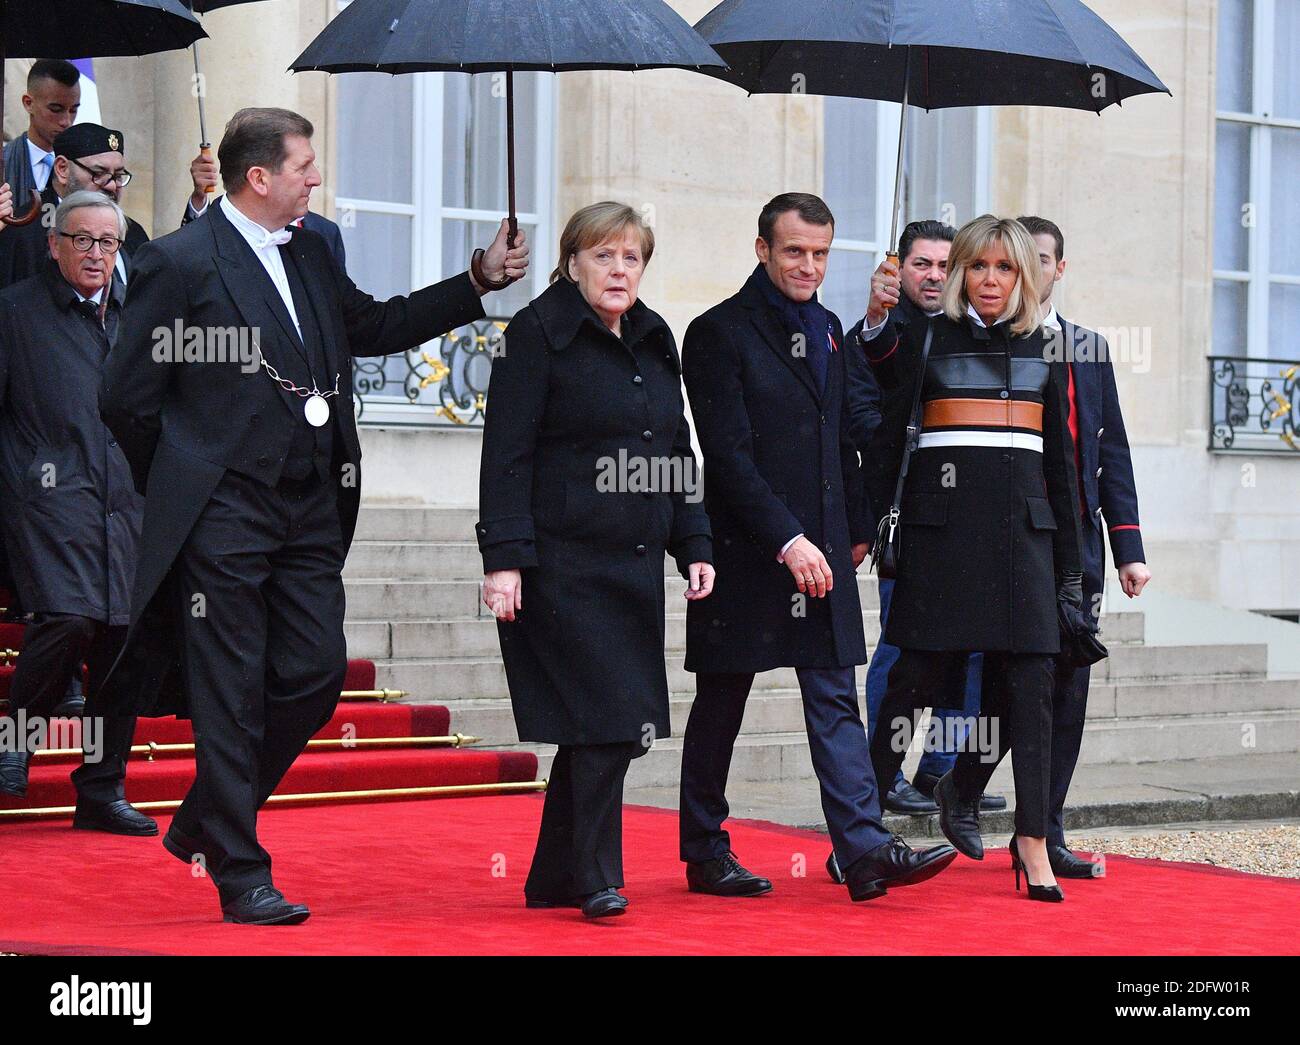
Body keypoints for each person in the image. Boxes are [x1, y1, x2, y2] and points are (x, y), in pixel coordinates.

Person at [98, 107, 528, 925]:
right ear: (259, 177)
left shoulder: (315, 247)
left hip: (309, 505)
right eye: (304, 166)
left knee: (314, 673)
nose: (317, 178)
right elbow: (124, 396)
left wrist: (476, 280)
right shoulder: (180, 261)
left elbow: (374, 325)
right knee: (229, 689)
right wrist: (191, 472)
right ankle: (240, 870)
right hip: (223, 512)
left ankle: (204, 816)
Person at [679, 192, 957, 903]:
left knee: (835, 697)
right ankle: (704, 851)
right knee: (722, 702)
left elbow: (843, 441)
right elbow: (728, 459)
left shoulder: (831, 328)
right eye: (795, 251)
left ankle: (863, 850)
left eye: (821, 253)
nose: (809, 266)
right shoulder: (715, 332)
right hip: (746, 551)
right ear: (762, 249)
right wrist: (787, 538)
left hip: (825, 548)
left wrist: (856, 528)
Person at [478, 202, 713, 919]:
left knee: (603, 724)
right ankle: (596, 876)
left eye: (631, 257)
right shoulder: (535, 335)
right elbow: (506, 456)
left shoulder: (653, 334)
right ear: (571, 262)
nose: (618, 270)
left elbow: (675, 450)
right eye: (603, 256)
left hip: (633, 562)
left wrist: (694, 541)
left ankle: (554, 876)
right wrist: (504, 559)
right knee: (611, 721)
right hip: (561, 565)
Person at [867, 215, 1083, 902]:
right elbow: (881, 426)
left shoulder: (1047, 348)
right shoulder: (926, 336)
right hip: (942, 544)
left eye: (1005, 268)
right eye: (979, 266)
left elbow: (1063, 471)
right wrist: (863, 530)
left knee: (1032, 686)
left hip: (1026, 548)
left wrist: (1073, 572)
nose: (991, 280)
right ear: (961, 272)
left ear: (1025, 276)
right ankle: (861, 827)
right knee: (913, 683)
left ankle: (1030, 838)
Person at [957, 215, 1151, 879]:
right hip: (1012, 540)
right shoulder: (989, 342)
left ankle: (1046, 829)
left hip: (1077, 547)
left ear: (1059, 269)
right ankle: (967, 788)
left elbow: (1111, 450)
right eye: (1020, 260)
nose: (1030, 272)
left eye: (1041, 260)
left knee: (1068, 687)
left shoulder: (1088, 347)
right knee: (1013, 683)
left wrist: (1128, 547)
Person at [0, 192, 153, 834]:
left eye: (107, 243)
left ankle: (100, 789)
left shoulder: (136, 317)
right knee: (69, 617)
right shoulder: (15, 312)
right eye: (82, 240)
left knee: (122, 638)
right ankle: (15, 741)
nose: (95, 254)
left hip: (128, 503)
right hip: (48, 500)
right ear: (54, 244)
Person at [846, 221, 1005, 819]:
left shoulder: (969, 331)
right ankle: (881, 777)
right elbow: (864, 421)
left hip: (970, 521)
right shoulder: (880, 333)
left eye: (945, 265)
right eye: (922, 264)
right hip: (906, 519)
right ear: (898, 269)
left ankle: (941, 769)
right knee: (902, 648)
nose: (935, 276)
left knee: (971, 652)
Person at [0, 123, 149, 290]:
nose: (112, 185)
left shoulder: (134, 233)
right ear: (62, 169)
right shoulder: (24, 232)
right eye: (98, 173)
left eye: (118, 176)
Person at [184, 148, 347, 271]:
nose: (316, 179)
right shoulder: (229, 223)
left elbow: (338, 300)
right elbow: (192, 256)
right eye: (301, 168)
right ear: (259, 178)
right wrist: (199, 197)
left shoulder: (326, 231)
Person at [1, 60, 80, 213]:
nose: (66, 121)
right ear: (28, 103)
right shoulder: (4, 162)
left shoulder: (86, 167)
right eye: (56, 109)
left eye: (73, 110)